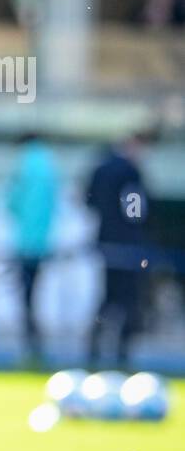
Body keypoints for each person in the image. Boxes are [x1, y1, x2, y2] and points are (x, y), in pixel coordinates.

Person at [85, 132, 152, 366]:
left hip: (105, 241)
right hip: (127, 245)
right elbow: (136, 211)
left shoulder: (100, 168)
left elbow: (89, 201)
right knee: (127, 298)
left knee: (108, 296)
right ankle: (122, 353)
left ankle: (93, 347)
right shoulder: (130, 172)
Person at [5, 133, 60, 364]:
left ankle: (30, 340)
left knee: (26, 294)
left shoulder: (24, 165)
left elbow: (12, 202)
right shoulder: (49, 166)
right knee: (34, 292)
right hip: (43, 241)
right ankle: (35, 340)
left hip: (25, 242)